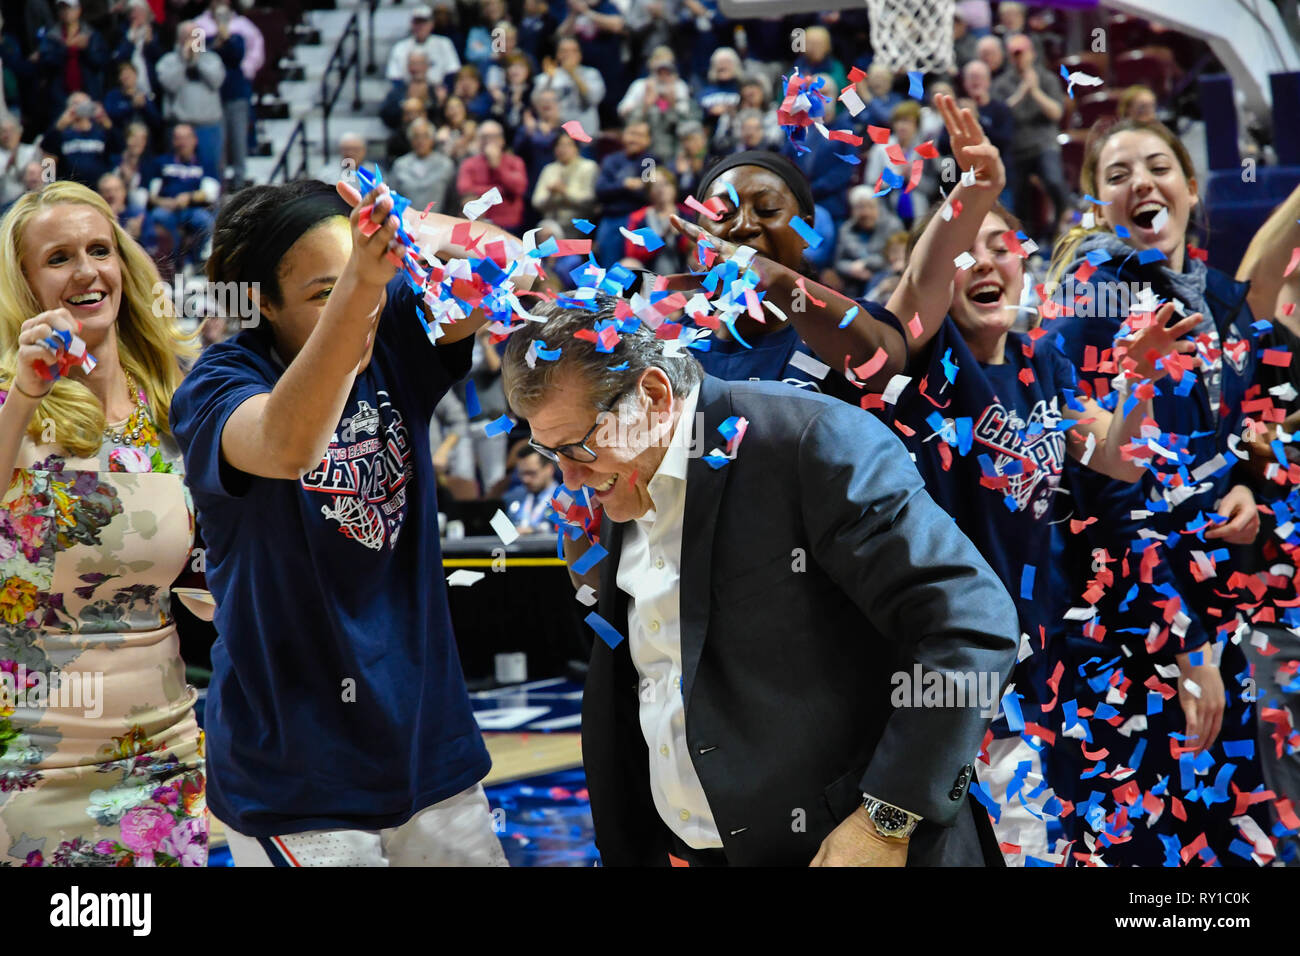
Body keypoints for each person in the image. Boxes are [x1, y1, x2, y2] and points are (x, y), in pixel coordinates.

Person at [500, 294, 1021, 866]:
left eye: (577, 446)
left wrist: (886, 822)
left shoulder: (809, 440)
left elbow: (972, 626)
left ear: (651, 396)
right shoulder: (615, 485)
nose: (568, 477)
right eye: (548, 450)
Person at [168, 176, 531, 866]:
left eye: (354, 282)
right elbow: (286, 445)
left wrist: (407, 225)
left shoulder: (393, 333)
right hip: (301, 781)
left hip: (432, 754)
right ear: (263, 306)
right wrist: (364, 284)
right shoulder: (216, 385)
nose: (352, 309)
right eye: (320, 294)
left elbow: (514, 264)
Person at [886, 95, 1202, 863]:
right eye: (971, 250)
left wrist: (1137, 379)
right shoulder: (929, 364)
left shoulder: (1045, 365)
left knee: (1044, 847)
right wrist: (973, 195)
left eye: (1004, 245)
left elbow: (1118, 460)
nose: (988, 260)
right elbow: (913, 305)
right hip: (949, 671)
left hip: (1042, 664)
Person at [1044, 117, 1272, 866]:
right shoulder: (1091, 306)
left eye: (1157, 166)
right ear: (1101, 205)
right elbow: (1114, 500)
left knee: (1225, 834)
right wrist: (1187, 642)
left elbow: (1227, 427)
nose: (1141, 182)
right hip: (1136, 625)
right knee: (1145, 849)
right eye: (1118, 174)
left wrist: (1239, 483)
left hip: (1212, 601)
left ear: (1190, 186)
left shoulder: (1210, 294)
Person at [0, 179, 206, 866]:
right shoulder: (10, 402)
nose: (87, 271)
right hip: (34, 769)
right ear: (25, 285)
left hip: (168, 760)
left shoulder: (170, 402)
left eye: (100, 249)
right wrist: (26, 392)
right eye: (58, 258)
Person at [991, 33, 1069, 246]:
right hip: (1017, 147)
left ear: (1032, 54)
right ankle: (1030, 243)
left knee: (1053, 180)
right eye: (1013, 55)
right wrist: (1021, 92)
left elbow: (1056, 113)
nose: (1018, 58)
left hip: (1044, 143)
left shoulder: (1047, 79)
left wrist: (1034, 91)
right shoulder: (1001, 84)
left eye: (1021, 53)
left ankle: (1061, 225)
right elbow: (1000, 115)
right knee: (1019, 199)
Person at [155, 21, 226, 180]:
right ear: (179, 39)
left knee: (213, 170)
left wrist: (197, 60)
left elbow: (216, 81)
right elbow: (169, 84)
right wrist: (183, 61)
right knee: (178, 174)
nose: (192, 41)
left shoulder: (212, 58)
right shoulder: (168, 60)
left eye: (196, 36)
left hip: (208, 126)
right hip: (179, 127)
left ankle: (216, 204)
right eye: (188, 36)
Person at [147, 123, 219, 272]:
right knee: (158, 217)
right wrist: (165, 202)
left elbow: (210, 193)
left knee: (205, 222)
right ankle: (173, 261)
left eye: (186, 138)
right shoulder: (162, 163)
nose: (182, 142)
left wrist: (189, 197)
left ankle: (196, 261)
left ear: (195, 140)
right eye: (178, 138)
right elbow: (151, 196)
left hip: (193, 208)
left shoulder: (205, 163)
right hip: (166, 208)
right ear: (173, 141)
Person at [593, 121, 655, 267]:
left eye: (640, 135)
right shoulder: (611, 160)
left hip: (638, 220)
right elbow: (600, 189)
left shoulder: (649, 161)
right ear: (623, 136)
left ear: (648, 140)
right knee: (608, 265)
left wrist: (616, 187)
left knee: (634, 266)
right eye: (631, 134)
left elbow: (646, 193)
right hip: (610, 218)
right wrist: (625, 184)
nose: (634, 139)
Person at [455, 120, 527, 232]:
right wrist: (499, 191)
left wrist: (497, 166)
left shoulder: (515, 162)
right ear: (479, 141)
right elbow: (465, 190)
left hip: (510, 226)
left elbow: (519, 188)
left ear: (502, 140)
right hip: (478, 224)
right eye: (484, 137)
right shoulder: (469, 164)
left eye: (493, 137)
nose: (488, 141)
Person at [834, 188, 903, 300]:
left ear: (878, 207)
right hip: (853, 284)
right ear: (852, 210)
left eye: (870, 206)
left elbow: (894, 258)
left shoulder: (892, 226)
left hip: (885, 281)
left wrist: (865, 263)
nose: (865, 212)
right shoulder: (846, 229)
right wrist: (851, 268)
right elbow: (838, 262)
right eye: (860, 207)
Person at [531, 131, 597, 233]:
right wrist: (551, 195)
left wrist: (564, 191)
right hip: (552, 224)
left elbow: (589, 200)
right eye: (559, 145)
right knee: (544, 231)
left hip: (580, 222)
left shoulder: (588, 167)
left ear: (577, 148)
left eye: (567, 145)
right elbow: (536, 202)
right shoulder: (549, 169)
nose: (563, 149)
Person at [389, 118, 455, 215]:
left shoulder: (446, 164)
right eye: (416, 136)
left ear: (432, 139)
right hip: (406, 221)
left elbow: (452, 199)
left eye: (425, 136)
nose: (420, 141)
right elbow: (392, 196)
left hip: (439, 222)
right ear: (410, 139)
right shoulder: (399, 165)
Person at [386, 4, 461, 89]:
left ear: (432, 24)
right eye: (417, 22)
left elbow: (452, 71)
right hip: (409, 91)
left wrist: (443, 90)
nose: (420, 26)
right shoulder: (400, 47)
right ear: (412, 24)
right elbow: (395, 77)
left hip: (438, 89)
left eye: (424, 22)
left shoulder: (444, 43)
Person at [503, 445, 558, 534]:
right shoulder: (511, 497)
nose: (525, 479)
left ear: (549, 469)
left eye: (531, 473)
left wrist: (535, 531)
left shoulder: (567, 499)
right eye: (521, 473)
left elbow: (574, 535)